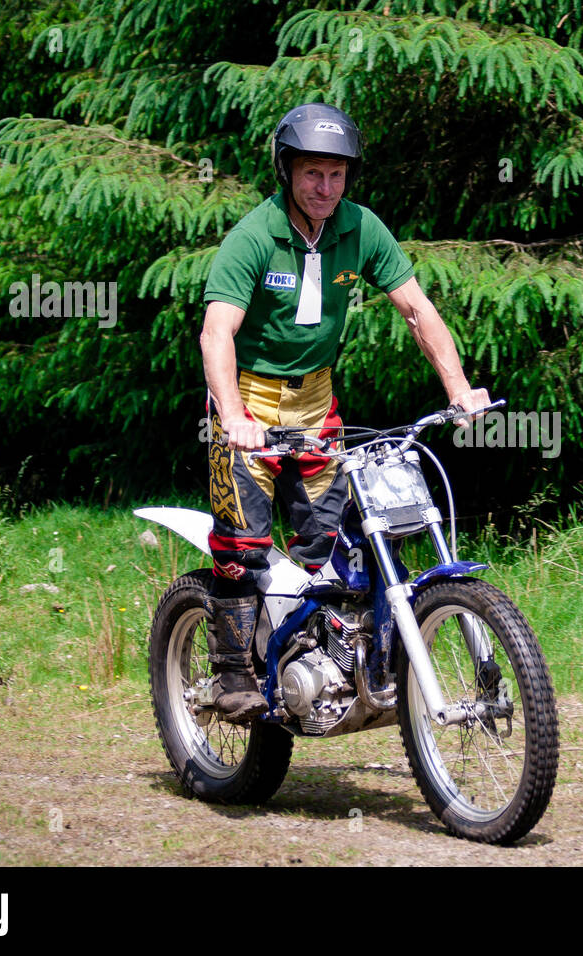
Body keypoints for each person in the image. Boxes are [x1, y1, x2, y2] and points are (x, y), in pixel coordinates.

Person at [197, 102, 488, 721]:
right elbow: (216, 333)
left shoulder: (361, 229)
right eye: (312, 175)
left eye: (336, 175)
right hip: (248, 398)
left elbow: (415, 309)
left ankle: (315, 658)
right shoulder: (253, 236)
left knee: (324, 542)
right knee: (242, 545)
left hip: (315, 404)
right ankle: (228, 674)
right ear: (287, 171)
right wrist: (232, 416)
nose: (325, 188)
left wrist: (458, 389)